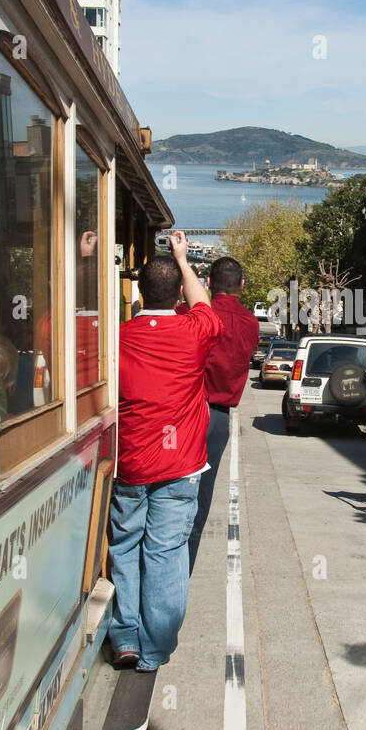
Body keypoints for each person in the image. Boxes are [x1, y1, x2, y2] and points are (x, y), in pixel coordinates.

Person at [108, 231, 222, 670]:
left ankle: (125, 639)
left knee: (125, 547)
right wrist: (183, 258)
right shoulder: (194, 331)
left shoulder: (118, 338)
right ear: (176, 294)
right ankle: (155, 648)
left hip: (131, 464)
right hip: (180, 466)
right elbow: (204, 305)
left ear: (138, 292)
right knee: (165, 552)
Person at [178, 256, 259, 571]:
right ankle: (184, 572)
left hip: (191, 413)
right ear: (241, 285)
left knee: (174, 494)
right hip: (222, 419)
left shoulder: (195, 315)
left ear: (209, 283)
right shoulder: (251, 323)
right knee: (201, 501)